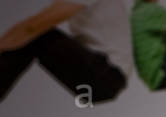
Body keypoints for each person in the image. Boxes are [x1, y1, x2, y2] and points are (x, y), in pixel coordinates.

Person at [0, 1, 131, 105]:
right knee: (32, 36)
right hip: (103, 79)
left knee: (39, 35)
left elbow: (31, 27)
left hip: (107, 76)